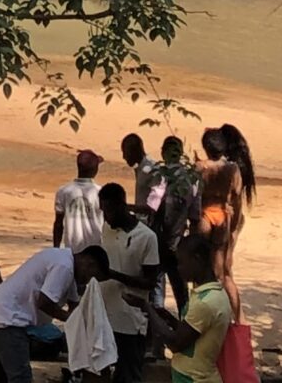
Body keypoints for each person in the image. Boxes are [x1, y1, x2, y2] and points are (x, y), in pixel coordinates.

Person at [0, 246, 107, 383]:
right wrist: (71, 319)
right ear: (89, 263)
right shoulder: (64, 267)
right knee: (21, 377)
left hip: (7, 315)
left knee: (11, 373)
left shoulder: (68, 265)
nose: (87, 281)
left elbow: (74, 305)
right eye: (89, 276)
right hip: (7, 317)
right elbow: (44, 302)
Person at [95, 183, 160, 383]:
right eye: (103, 211)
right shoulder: (106, 228)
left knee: (129, 375)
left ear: (122, 206)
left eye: (109, 211)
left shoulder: (147, 237)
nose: (106, 217)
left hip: (130, 322)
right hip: (104, 316)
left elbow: (150, 282)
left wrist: (114, 275)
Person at [161, 236, 235, 383]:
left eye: (182, 262)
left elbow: (176, 343)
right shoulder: (212, 294)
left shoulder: (206, 302)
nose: (179, 268)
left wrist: (148, 311)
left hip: (195, 378)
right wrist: (167, 318)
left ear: (197, 259)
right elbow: (191, 332)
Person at [197, 126, 255, 298]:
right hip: (224, 216)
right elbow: (236, 197)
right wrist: (233, 225)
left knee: (201, 265)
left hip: (207, 215)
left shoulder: (201, 167)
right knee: (223, 271)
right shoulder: (233, 169)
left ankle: (205, 305)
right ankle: (231, 311)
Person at [153, 138, 201, 310]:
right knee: (181, 291)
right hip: (179, 239)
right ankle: (185, 320)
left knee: (157, 286)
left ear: (163, 152)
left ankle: (158, 319)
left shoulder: (160, 175)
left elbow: (152, 207)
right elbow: (195, 216)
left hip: (158, 239)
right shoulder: (192, 179)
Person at [53, 152, 105, 253]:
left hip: (71, 250)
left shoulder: (64, 191)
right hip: (96, 251)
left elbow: (58, 223)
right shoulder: (101, 192)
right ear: (95, 170)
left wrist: (56, 249)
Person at [120, 134, 163, 219]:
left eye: (126, 153)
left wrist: (128, 208)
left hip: (150, 222)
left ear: (134, 152)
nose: (124, 157)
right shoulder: (140, 169)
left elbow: (154, 206)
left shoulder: (151, 170)